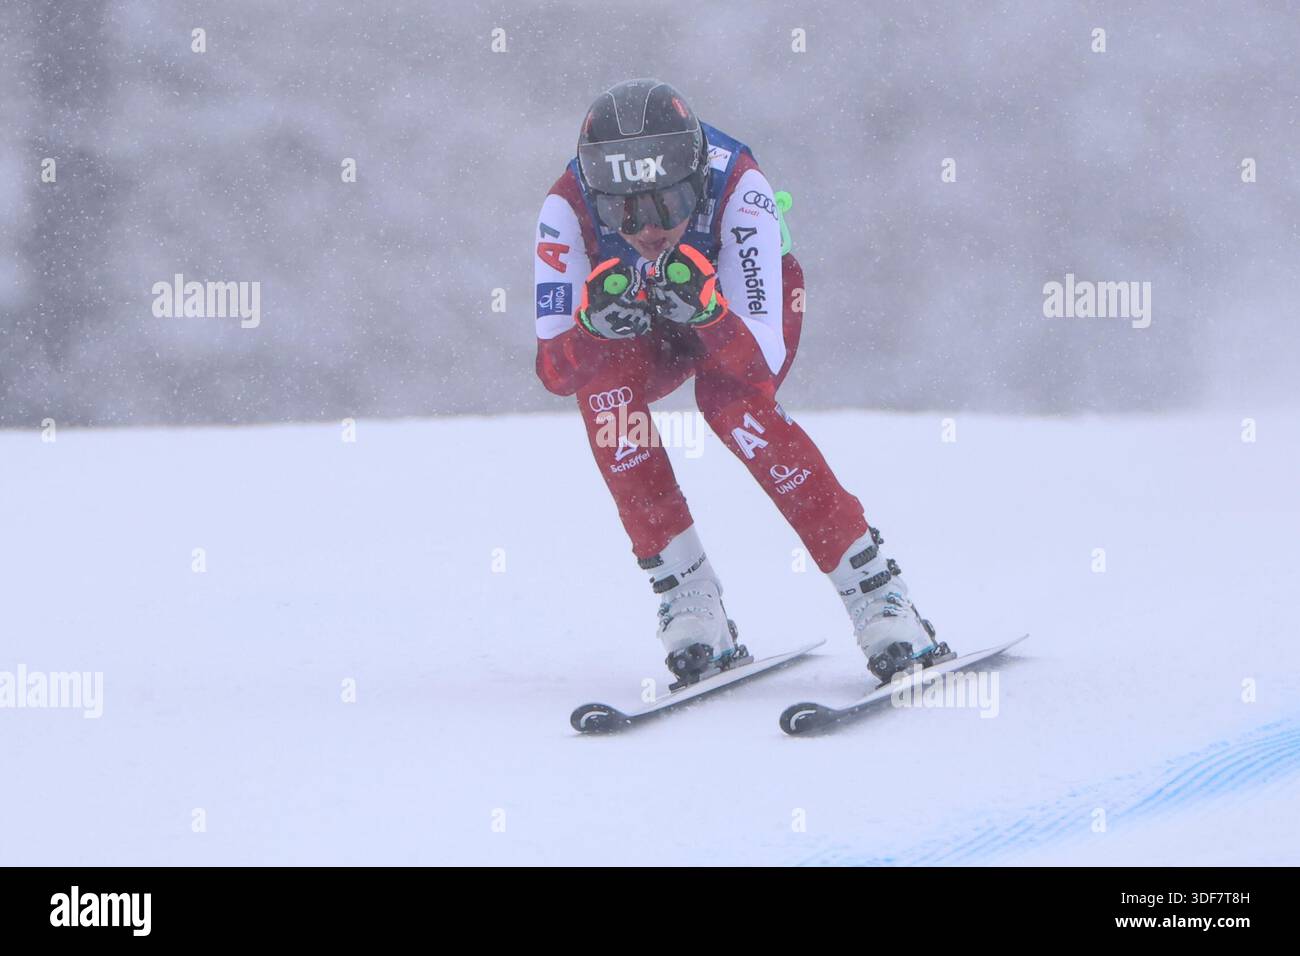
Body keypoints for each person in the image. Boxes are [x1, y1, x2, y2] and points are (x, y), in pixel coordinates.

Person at [533, 78, 941, 687]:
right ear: (596, 194)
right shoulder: (564, 207)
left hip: (739, 322)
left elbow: (758, 367)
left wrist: (709, 314)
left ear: (696, 186)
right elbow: (555, 373)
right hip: (657, 326)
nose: (648, 229)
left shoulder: (739, 188)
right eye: (623, 210)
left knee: (730, 403)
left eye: (668, 206)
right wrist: (592, 328)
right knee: (605, 392)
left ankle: (879, 596)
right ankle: (687, 596)